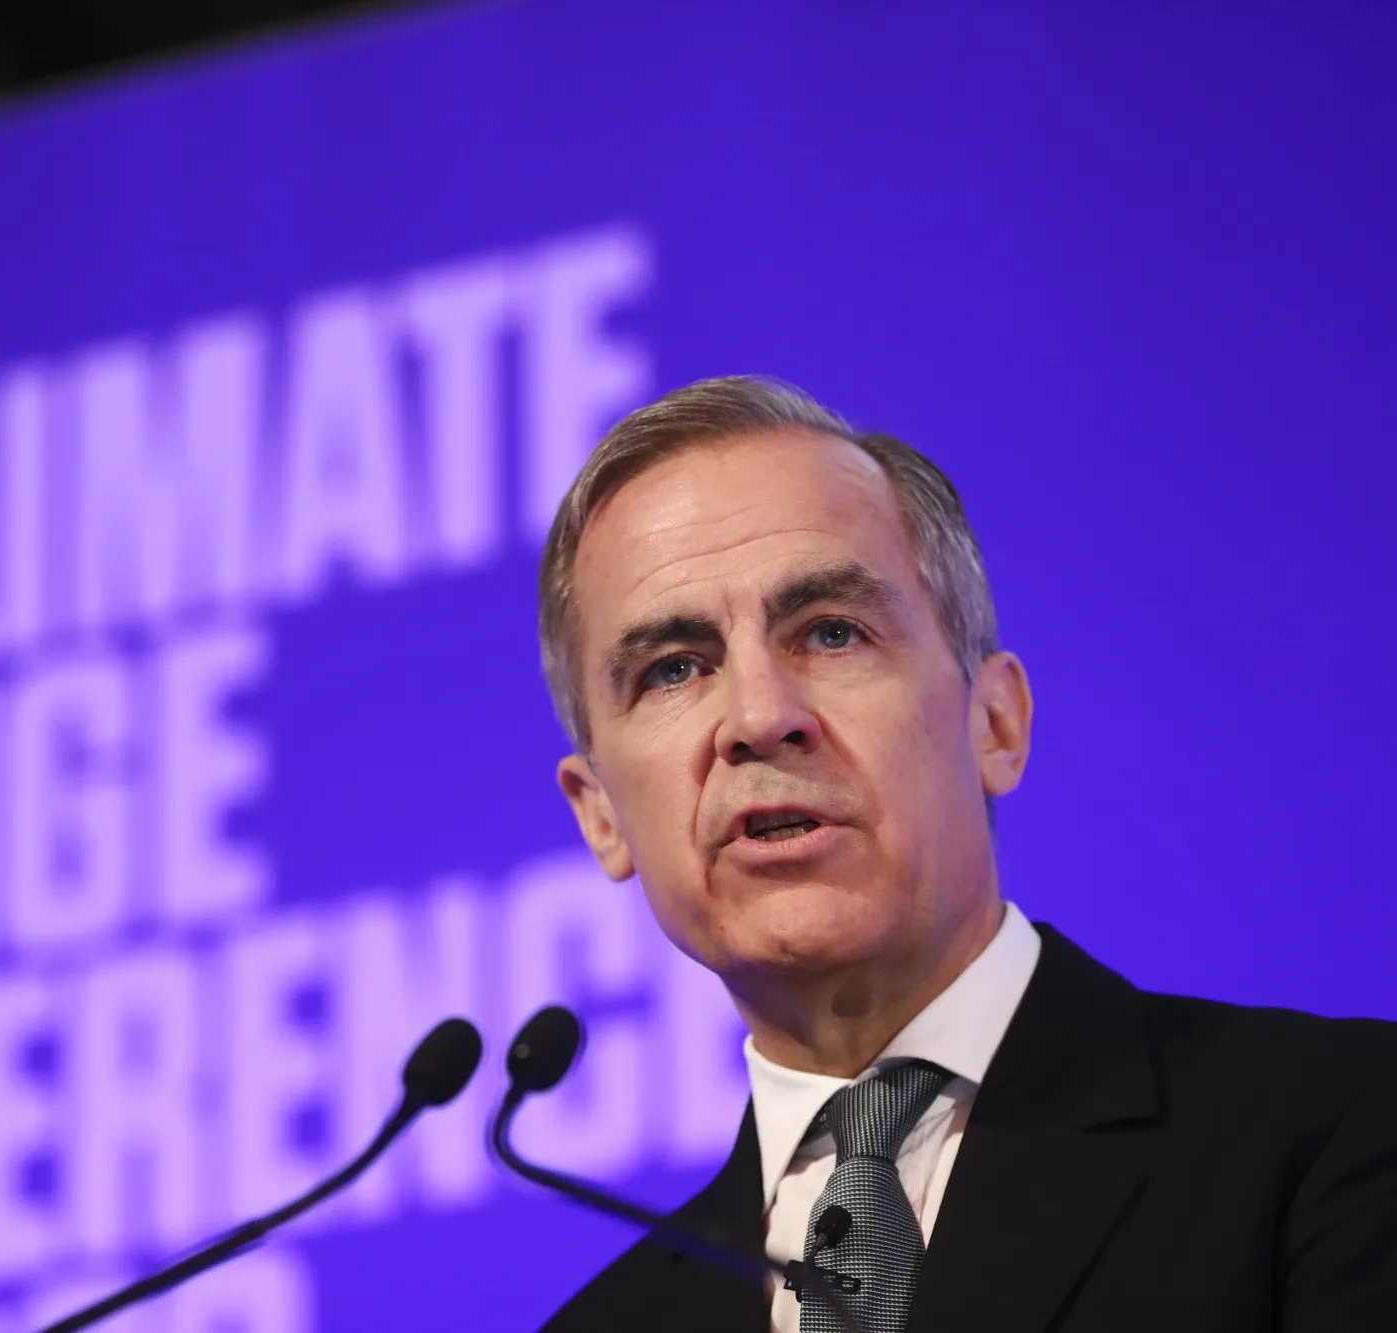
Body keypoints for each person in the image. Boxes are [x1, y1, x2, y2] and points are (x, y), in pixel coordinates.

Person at [533, 377, 1397, 1333]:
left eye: (831, 632)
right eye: (673, 669)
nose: (760, 716)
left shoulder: (1339, 1132)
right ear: (601, 814)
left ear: (995, 723)